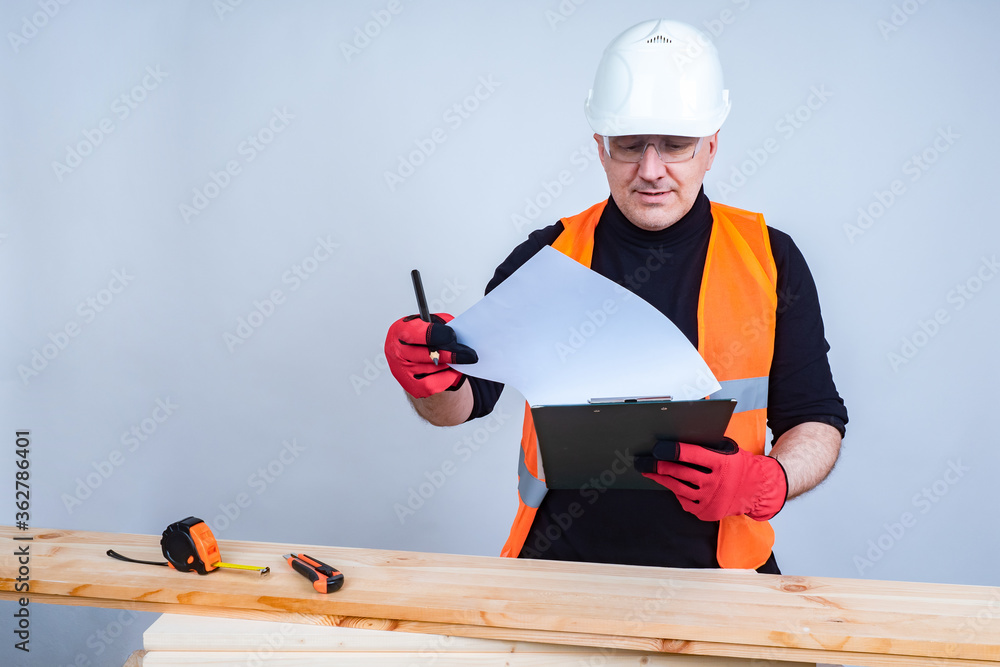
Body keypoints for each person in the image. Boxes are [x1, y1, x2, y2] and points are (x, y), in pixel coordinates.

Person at [384, 19, 847, 574]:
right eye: (630, 146)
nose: (651, 171)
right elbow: (461, 404)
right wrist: (428, 376)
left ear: (711, 146)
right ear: (601, 147)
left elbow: (816, 419)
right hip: (556, 574)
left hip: (727, 578)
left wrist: (768, 482)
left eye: (675, 145)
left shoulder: (770, 260)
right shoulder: (547, 259)